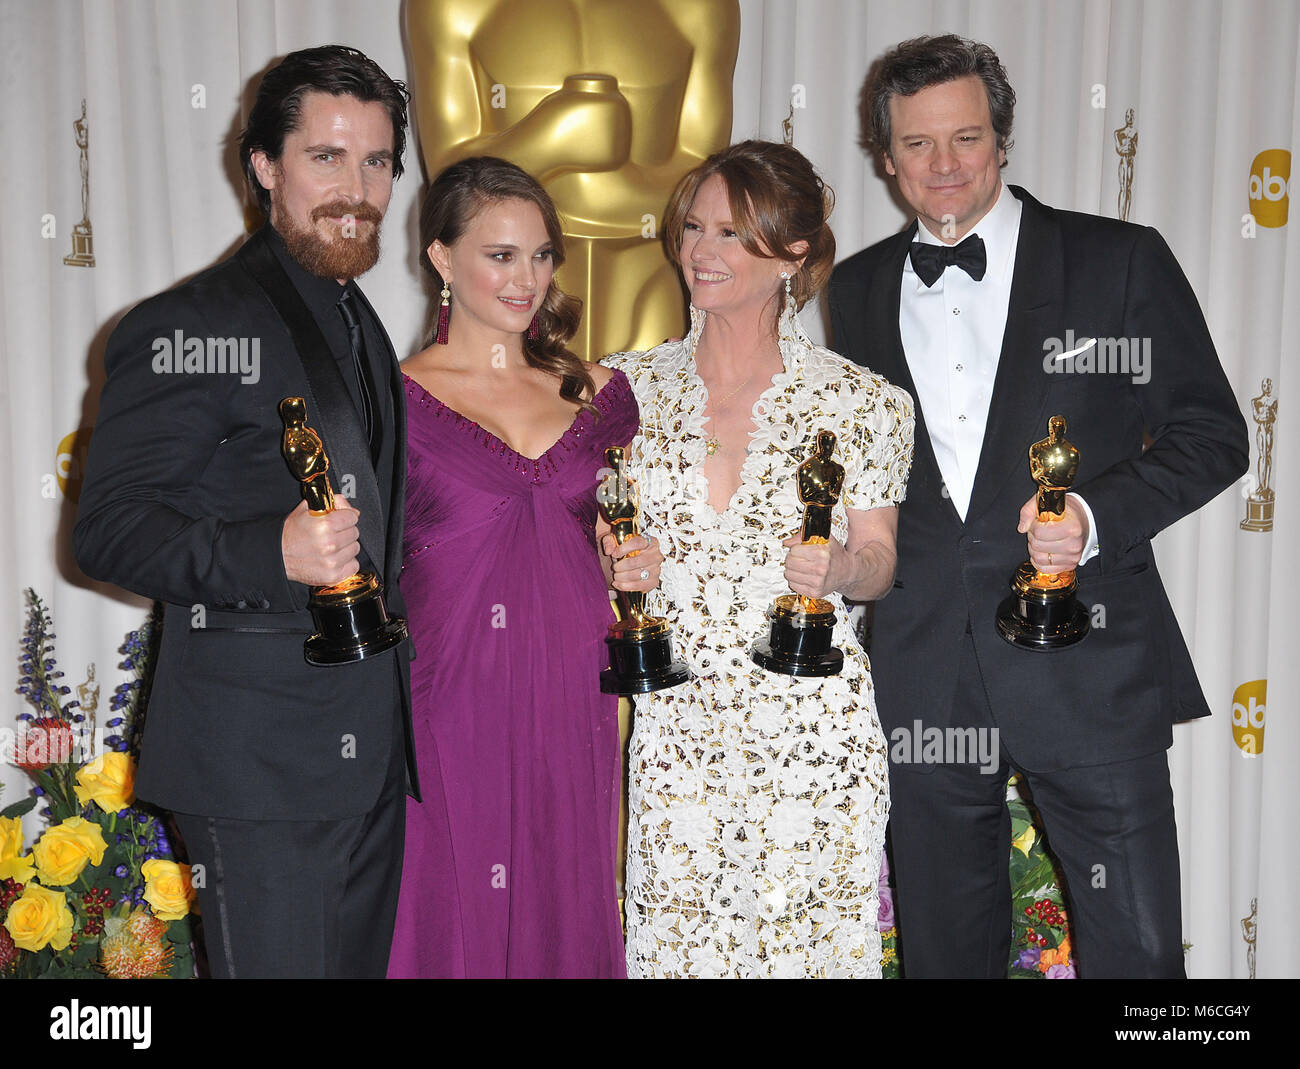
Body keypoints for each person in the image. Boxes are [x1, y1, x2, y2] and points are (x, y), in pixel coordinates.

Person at [828, 34, 1248, 978]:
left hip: (1088, 661)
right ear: (886, 155)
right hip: (921, 663)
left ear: (1003, 140)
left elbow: (1214, 434)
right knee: (944, 953)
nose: (943, 167)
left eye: (966, 139)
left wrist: (1093, 517)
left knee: (1138, 954)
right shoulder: (853, 290)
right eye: (918, 146)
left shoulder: (1120, 260)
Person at [74, 46, 417, 978]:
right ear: (265, 166)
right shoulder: (197, 324)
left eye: (378, 161)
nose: (357, 188)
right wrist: (272, 552)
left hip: (366, 757)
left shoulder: (355, 317)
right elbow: (106, 526)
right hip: (261, 770)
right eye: (326, 157)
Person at [604, 140, 915, 978]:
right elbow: (590, 533)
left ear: (794, 253)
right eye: (694, 228)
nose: (703, 252)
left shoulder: (865, 401)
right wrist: (617, 559)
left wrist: (843, 571)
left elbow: (881, 559)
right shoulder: (618, 391)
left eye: (735, 235)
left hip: (814, 736)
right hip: (679, 738)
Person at [389, 157, 657, 978]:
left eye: (542, 255)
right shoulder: (390, 399)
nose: (527, 278)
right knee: (449, 902)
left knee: (564, 893)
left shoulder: (601, 395)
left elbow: (613, 527)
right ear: (440, 257)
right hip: (450, 694)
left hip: (575, 688)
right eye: (500, 255)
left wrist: (630, 560)